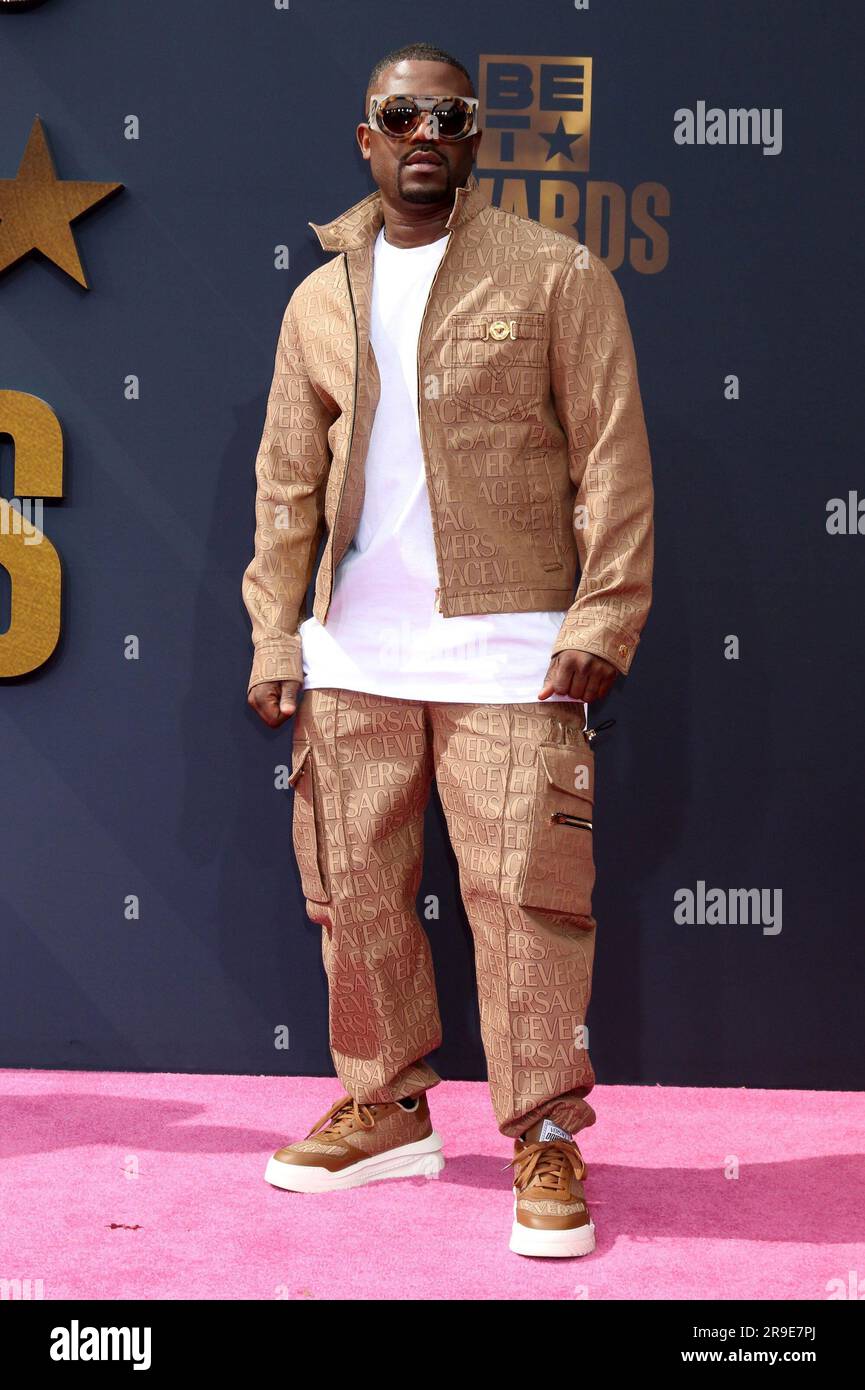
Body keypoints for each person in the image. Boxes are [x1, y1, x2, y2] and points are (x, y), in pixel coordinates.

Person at [242, 41, 654, 1258]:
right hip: (352, 655)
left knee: (524, 898)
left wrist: (601, 618)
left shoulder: (554, 273)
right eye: (399, 112)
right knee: (354, 893)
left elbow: (613, 460)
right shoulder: (319, 298)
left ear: (475, 137)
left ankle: (542, 1134)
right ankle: (385, 1105)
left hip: (513, 651)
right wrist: (276, 632)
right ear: (364, 138)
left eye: (450, 113)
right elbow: (285, 487)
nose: (426, 129)